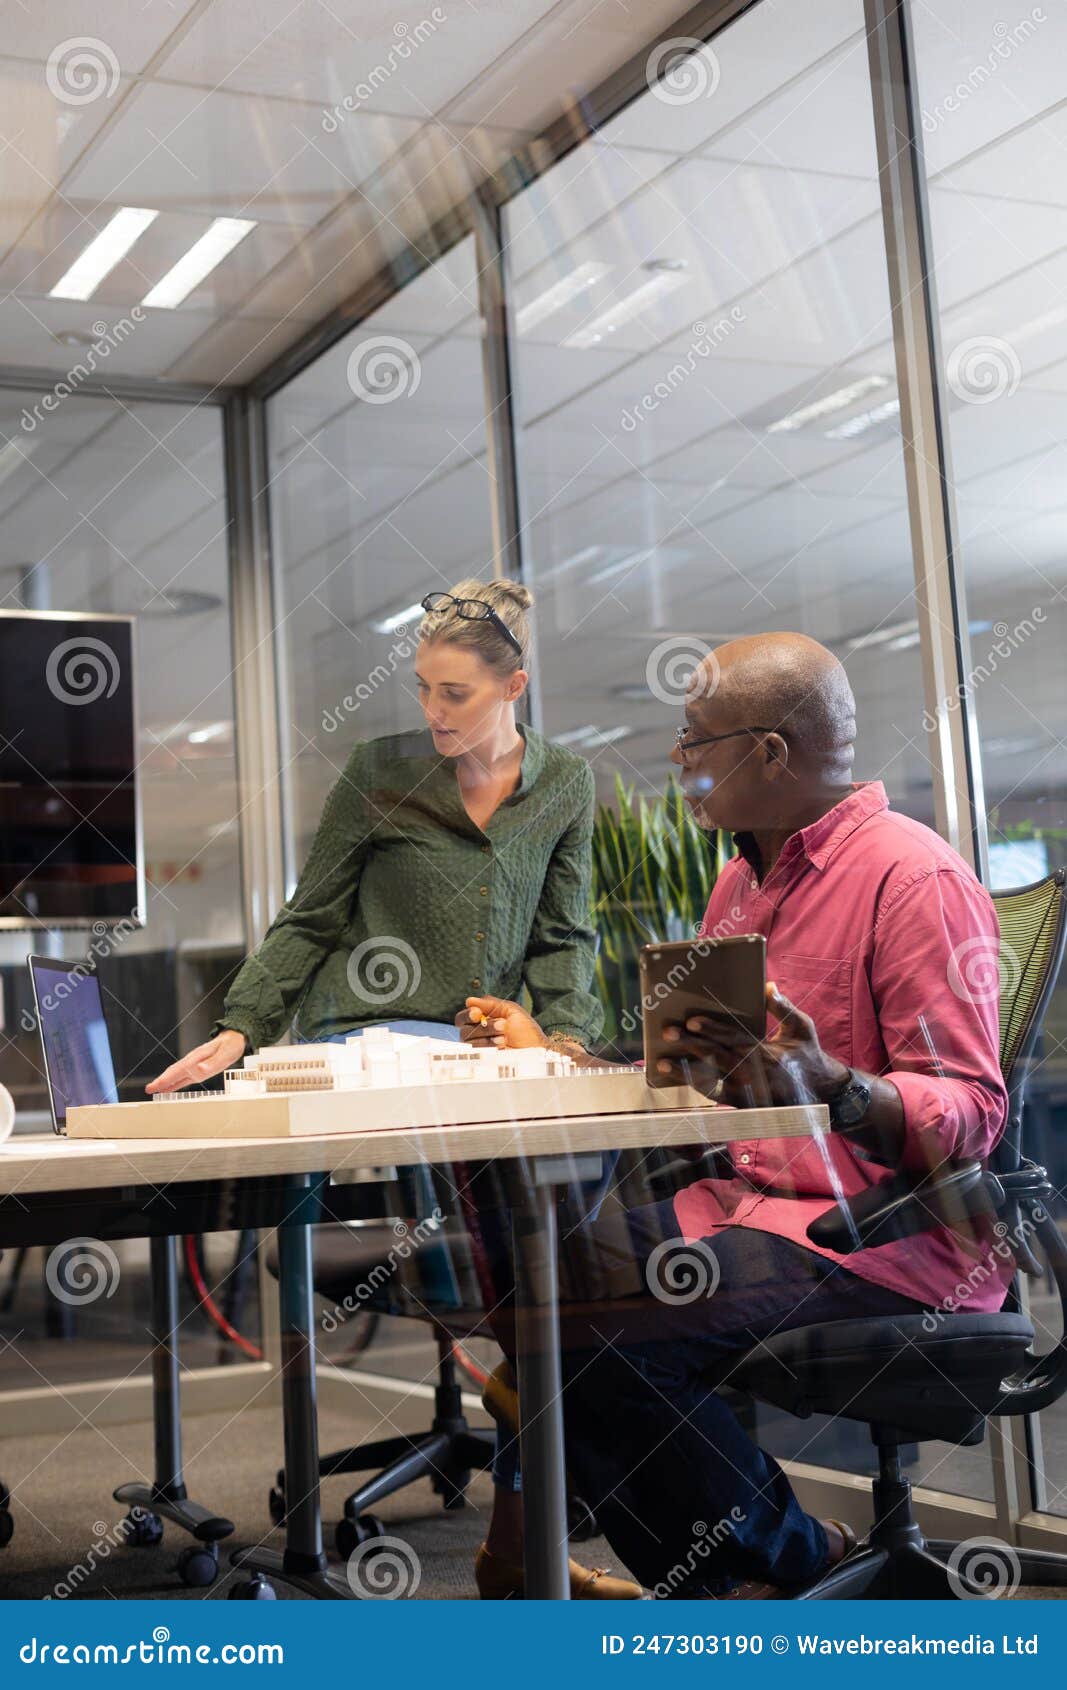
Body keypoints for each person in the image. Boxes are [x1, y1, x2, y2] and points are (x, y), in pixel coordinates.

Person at [460, 631, 1009, 1598]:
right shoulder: (741, 881)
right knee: (538, 1283)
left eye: (692, 740)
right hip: (744, 1202)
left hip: (878, 1234)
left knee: (594, 1333)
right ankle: (736, 1567)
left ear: (768, 752)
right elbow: (697, 1068)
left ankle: (782, 1567)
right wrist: (567, 1054)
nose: (679, 763)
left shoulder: (910, 877)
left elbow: (970, 1113)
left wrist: (834, 1084)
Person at [146, 577, 637, 1597]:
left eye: (454, 692)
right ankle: (515, 1516)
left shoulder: (564, 786)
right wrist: (240, 1027)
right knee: (514, 1281)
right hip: (362, 1055)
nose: (432, 711)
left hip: (481, 1065)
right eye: (422, 688)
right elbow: (311, 917)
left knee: (558, 1269)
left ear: (515, 684)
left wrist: (563, 1041)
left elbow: (564, 941)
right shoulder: (380, 771)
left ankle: (523, 1523)